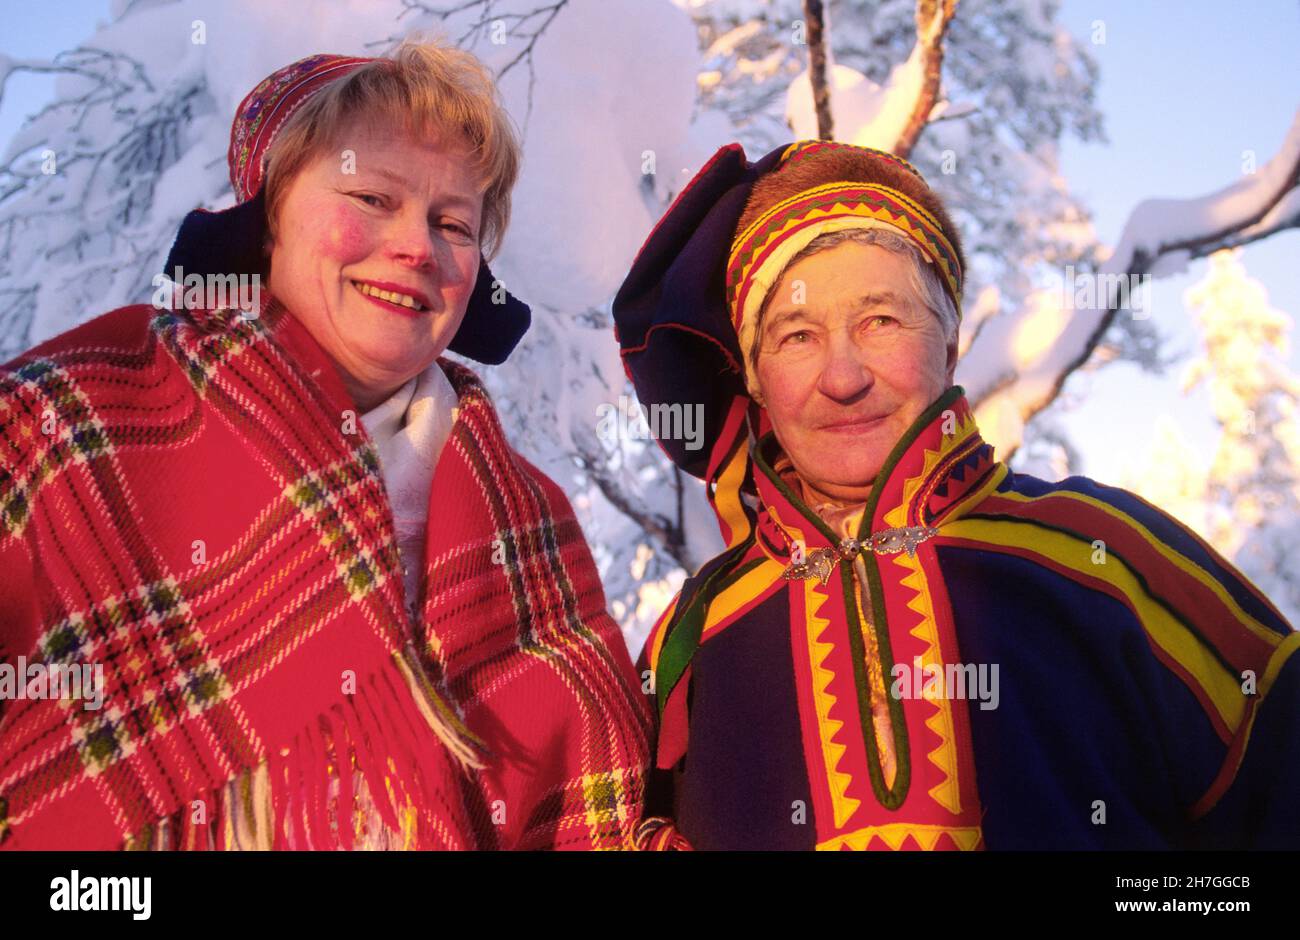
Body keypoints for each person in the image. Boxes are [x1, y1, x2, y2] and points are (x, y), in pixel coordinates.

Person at [0, 43, 649, 850]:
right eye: (373, 196)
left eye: (452, 222)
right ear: (266, 223)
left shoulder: (530, 522)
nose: (417, 245)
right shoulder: (74, 421)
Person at [612, 139, 1298, 850]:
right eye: (796, 335)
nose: (842, 375)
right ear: (754, 378)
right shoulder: (691, 640)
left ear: (949, 339)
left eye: (880, 319)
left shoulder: (1108, 559)